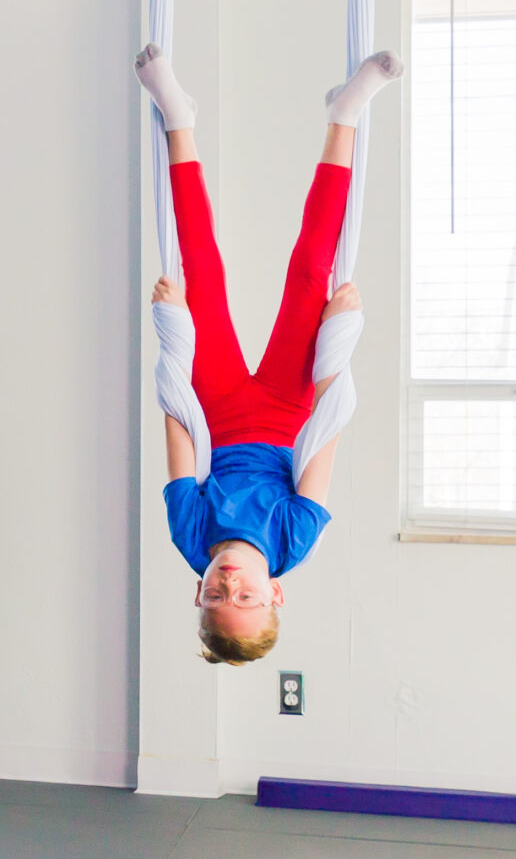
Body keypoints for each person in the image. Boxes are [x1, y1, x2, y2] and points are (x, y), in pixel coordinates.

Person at [135, 43, 401, 665]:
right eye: (246, 596)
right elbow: (327, 431)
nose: (229, 583)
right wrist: (339, 337)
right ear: (275, 592)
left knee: (198, 265)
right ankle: (345, 116)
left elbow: (177, 424)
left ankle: (179, 119)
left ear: (196, 593)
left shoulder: (190, 536)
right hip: (289, 409)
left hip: (217, 407)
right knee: (314, 269)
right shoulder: (294, 538)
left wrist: (173, 334)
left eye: (214, 595)